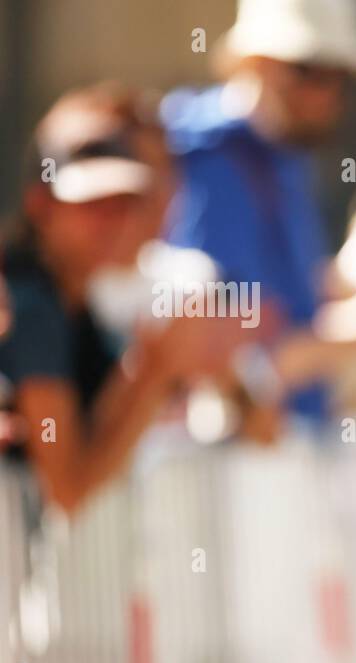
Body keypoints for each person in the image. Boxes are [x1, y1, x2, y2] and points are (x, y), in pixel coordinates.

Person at [160, 0, 356, 430]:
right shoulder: (199, 154)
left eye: (341, 76)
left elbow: (280, 298)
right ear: (256, 62)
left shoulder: (289, 160)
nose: (327, 95)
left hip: (293, 440)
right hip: (227, 450)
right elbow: (212, 324)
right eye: (311, 71)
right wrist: (349, 338)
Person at [0, 85, 231, 512]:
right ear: (41, 206)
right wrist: (154, 370)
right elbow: (67, 488)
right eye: (92, 205)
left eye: (126, 202)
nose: (116, 222)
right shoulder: (30, 306)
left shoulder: (73, 303)